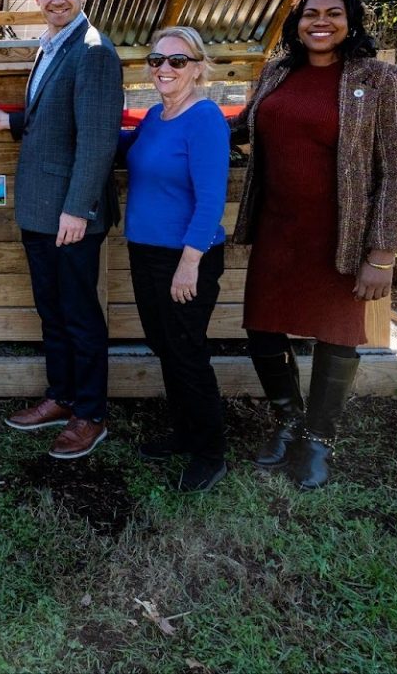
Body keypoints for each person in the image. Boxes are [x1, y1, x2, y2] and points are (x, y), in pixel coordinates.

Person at [234, 0, 397, 489]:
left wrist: (381, 255)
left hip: (341, 234)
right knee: (262, 327)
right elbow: (241, 127)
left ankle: (319, 440)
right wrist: (165, 121)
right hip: (277, 227)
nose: (321, 22)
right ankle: (289, 422)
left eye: (333, 13)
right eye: (310, 13)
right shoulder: (277, 73)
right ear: (296, 24)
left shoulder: (380, 79)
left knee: (337, 334)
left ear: (350, 21)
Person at [0, 0, 123, 460]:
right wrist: (14, 123)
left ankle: (91, 415)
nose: (57, 0)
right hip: (42, 211)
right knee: (53, 312)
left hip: (69, 216)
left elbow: (99, 139)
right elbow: (60, 117)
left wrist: (77, 209)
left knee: (79, 316)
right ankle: (62, 397)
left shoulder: (93, 50)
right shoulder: (52, 44)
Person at [119, 27, 230, 492]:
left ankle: (210, 453)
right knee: (165, 346)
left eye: (177, 61)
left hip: (184, 257)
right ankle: (185, 433)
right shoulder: (154, 116)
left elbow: (211, 199)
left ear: (198, 68)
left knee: (186, 353)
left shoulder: (205, 119)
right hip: (145, 252)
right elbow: (124, 150)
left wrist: (190, 263)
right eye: (157, 59)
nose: (164, 68)